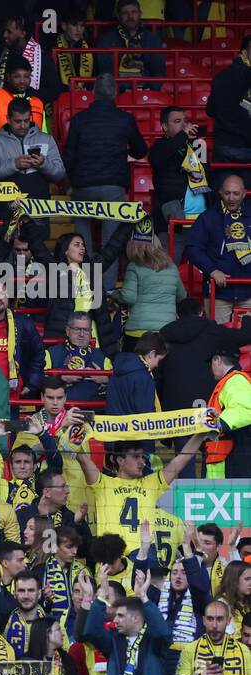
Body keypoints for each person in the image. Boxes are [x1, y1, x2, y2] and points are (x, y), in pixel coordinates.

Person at [62, 74, 147, 284]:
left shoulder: (79, 120)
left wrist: (72, 183)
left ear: (93, 93)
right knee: (111, 241)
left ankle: (82, 284)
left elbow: (69, 157)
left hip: (83, 187)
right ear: (115, 94)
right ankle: (106, 289)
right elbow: (140, 150)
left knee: (81, 239)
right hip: (113, 187)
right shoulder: (124, 119)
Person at [159, 298, 251, 413]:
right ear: (201, 313)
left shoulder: (163, 336)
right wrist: (247, 318)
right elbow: (247, 336)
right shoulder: (214, 331)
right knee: (210, 429)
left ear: (177, 315)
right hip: (207, 409)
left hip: (171, 411)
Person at [185, 174, 251, 325]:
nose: (231, 198)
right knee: (219, 341)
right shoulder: (208, 218)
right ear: (220, 192)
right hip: (218, 293)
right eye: (227, 193)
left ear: (244, 193)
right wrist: (212, 270)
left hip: (248, 293)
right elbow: (193, 248)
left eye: (236, 193)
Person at [0, 97, 64, 203]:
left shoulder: (46, 139)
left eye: (26, 120)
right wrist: (14, 164)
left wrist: (43, 164)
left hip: (39, 206)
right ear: (8, 119)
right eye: (18, 121)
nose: (23, 126)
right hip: (5, 206)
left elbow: (60, 173)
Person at [95, 0, 165, 86]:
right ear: (118, 16)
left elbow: (158, 70)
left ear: (140, 14)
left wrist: (150, 90)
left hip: (146, 91)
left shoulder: (152, 39)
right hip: (116, 92)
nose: (130, 16)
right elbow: (105, 72)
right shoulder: (106, 39)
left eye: (134, 12)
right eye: (125, 13)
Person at [206, 348, 251, 479]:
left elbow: (244, 408)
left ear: (218, 360)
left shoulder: (236, 380)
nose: (210, 368)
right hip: (226, 458)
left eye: (211, 363)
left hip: (235, 459)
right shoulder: (230, 381)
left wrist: (219, 424)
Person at [207, 36, 251, 171]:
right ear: (244, 53)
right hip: (246, 147)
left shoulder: (221, 76)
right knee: (244, 191)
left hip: (223, 146)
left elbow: (210, 110)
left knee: (223, 190)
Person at [104, 331, 166, 416]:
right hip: (134, 428)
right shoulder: (144, 378)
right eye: (159, 360)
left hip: (112, 426)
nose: (157, 365)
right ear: (152, 354)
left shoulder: (116, 370)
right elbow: (147, 416)